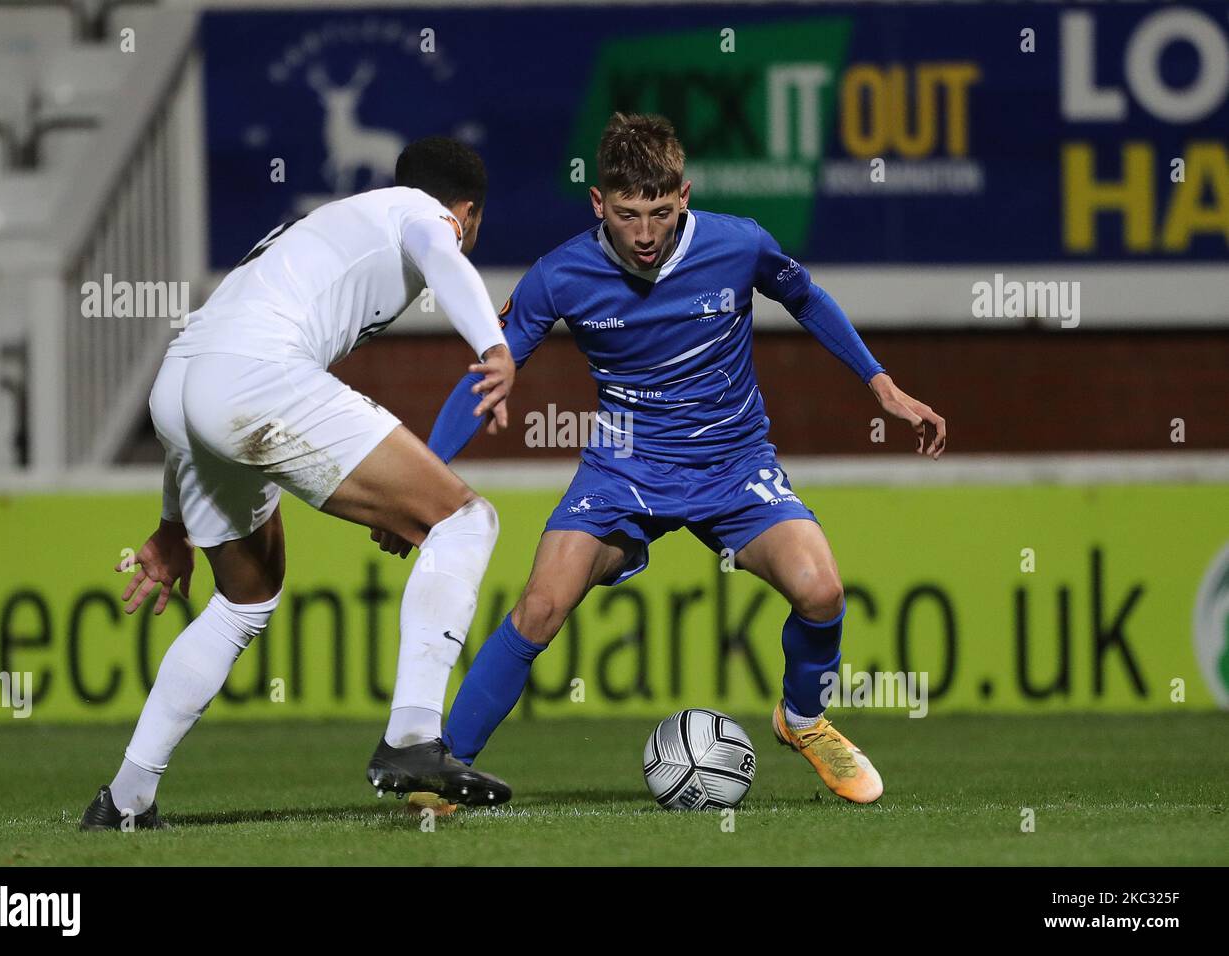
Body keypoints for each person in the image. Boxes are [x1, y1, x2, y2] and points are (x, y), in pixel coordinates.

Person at [382, 114, 946, 811]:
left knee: (823, 592)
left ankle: (802, 721)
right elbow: (485, 381)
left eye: (658, 211)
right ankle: (449, 770)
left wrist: (879, 382)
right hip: (622, 472)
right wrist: (416, 480)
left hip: (734, 466)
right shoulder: (559, 277)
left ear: (683, 194)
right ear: (599, 205)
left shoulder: (738, 244)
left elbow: (804, 295)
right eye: (626, 214)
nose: (644, 234)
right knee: (540, 606)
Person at [80, 137, 517, 830]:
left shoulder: (332, 221)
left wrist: (173, 526)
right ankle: (411, 737)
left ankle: (125, 800)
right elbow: (442, 255)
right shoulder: (422, 215)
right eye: (464, 224)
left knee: (244, 602)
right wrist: (493, 346)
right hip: (252, 375)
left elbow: (204, 376)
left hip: (182, 382)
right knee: (466, 520)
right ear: (467, 212)